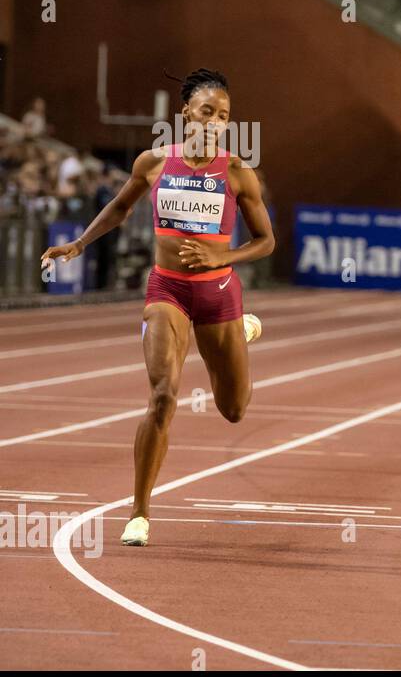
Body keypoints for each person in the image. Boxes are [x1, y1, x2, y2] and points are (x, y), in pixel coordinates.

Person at [40, 69, 274, 546]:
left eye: (224, 116)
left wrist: (220, 255)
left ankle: (242, 329)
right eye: (207, 111)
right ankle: (140, 512)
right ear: (186, 112)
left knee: (233, 409)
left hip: (218, 292)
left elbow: (266, 241)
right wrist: (79, 243)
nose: (215, 121)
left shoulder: (236, 172)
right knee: (164, 395)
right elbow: (122, 208)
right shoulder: (153, 162)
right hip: (166, 291)